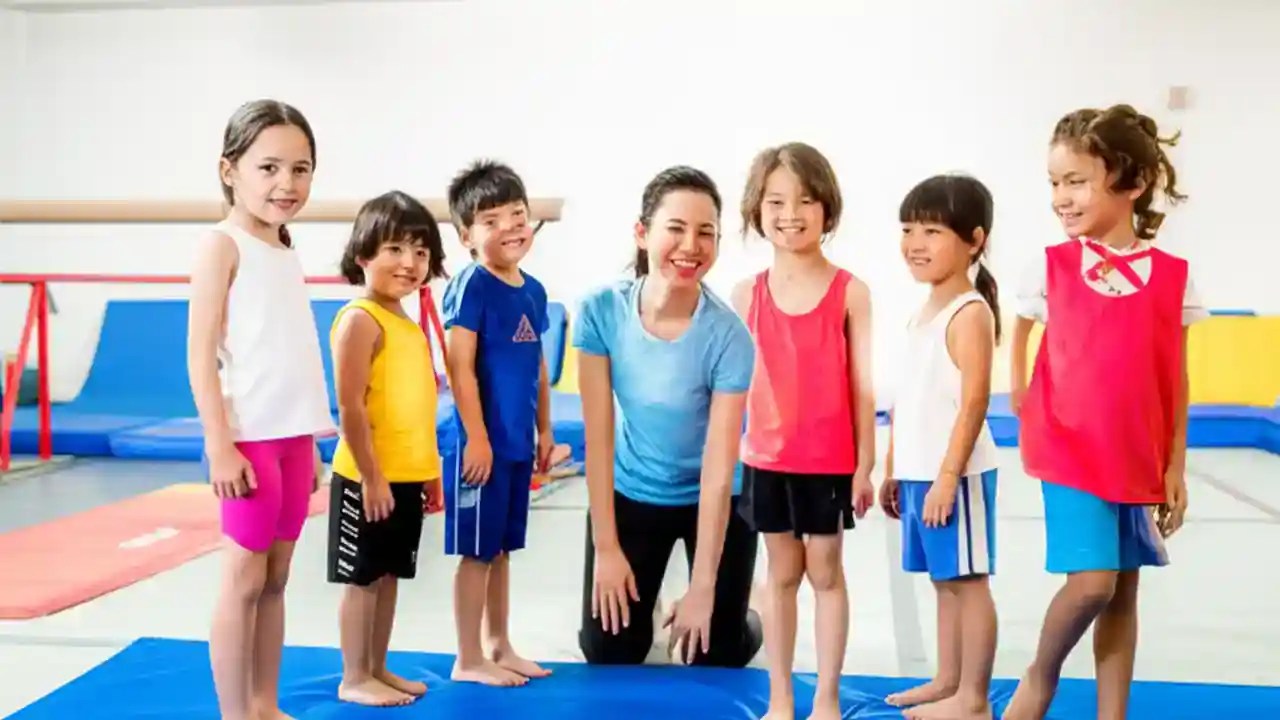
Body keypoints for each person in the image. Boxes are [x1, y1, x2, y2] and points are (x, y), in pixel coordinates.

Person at [1003, 104, 1207, 720]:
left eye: (1076, 182)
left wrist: (1174, 465)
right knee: (1093, 581)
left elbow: (1176, 376)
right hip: (1070, 447)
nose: (1061, 199)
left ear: (1132, 182)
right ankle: (1040, 676)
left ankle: (1110, 714)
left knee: (1122, 591)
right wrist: (1022, 398)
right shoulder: (1051, 266)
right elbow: (1019, 335)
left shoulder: (1173, 278)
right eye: (1054, 183)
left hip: (1135, 451)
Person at [576, 165, 762, 669]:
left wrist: (705, 586)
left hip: (715, 496)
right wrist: (607, 547)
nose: (691, 245)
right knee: (609, 650)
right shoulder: (600, 311)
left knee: (716, 652)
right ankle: (648, 589)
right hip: (635, 490)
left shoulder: (728, 336)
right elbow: (598, 437)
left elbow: (720, 469)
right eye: (675, 229)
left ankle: (750, 605)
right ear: (643, 234)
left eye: (707, 233)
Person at [187, 99, 334, 720]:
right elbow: (200, 355)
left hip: (293, 440)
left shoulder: (282, 248)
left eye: (300, 170)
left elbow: (287, 353)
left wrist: (312, 441)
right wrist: (219, 442)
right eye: (269, 167)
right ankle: (234, 713)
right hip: (247, 442)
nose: (286, 184)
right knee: (243, 579)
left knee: (275, 582)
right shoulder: (223, 246)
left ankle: (264, 704)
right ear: (230, 170)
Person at [731, 142, 875, 720]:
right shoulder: (747, 293)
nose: (790, 213)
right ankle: (782, 698)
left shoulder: (851, 292)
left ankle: (828, 698)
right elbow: (734, 387)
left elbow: (863, 386)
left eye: (806, 201)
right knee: (781, 576)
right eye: (776, 201)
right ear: (757, 209)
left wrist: (865, 464)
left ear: (827, 210)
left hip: (829, 460)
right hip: (766, 459)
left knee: (825, 573)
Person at [880, 174, 1002, 720]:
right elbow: (910, 398)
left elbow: (974, 403)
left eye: (932, 230)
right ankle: (947, 680)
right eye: (909, 229)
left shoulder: (969, 313)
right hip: (918, 470)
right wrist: (891, 466)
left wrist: (949, 476)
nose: (916, 243)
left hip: (957, 473)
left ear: (974, 240)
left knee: (968, 583)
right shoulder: (924, 310)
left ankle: (972, 699)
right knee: (943, 581)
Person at [326, 191, 448, 707]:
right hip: (365, 477)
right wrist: (372, 477)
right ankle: (353, 676)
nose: (409, 263)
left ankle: (377, 666)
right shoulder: (360, 319)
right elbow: (351, 408)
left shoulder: (406, 321)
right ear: (364, 256)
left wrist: (429, 471)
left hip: (404, 475)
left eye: (420, 252)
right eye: (396, 249)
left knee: (392, 573)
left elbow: (414, 409)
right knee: (363, 578)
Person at [441, 160, 555, 687]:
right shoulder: (471, 286)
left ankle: (499, 644)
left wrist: (545, 431)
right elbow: (459, 366)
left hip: (516, 441)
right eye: (491, 220)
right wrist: (478, 439)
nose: (510, 226)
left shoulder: (532, 291)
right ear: (466, 236)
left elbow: (537, 367)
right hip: (478, 445)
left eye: (517, 214)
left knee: (502, 548)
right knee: (477, 552)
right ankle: (468, 657)